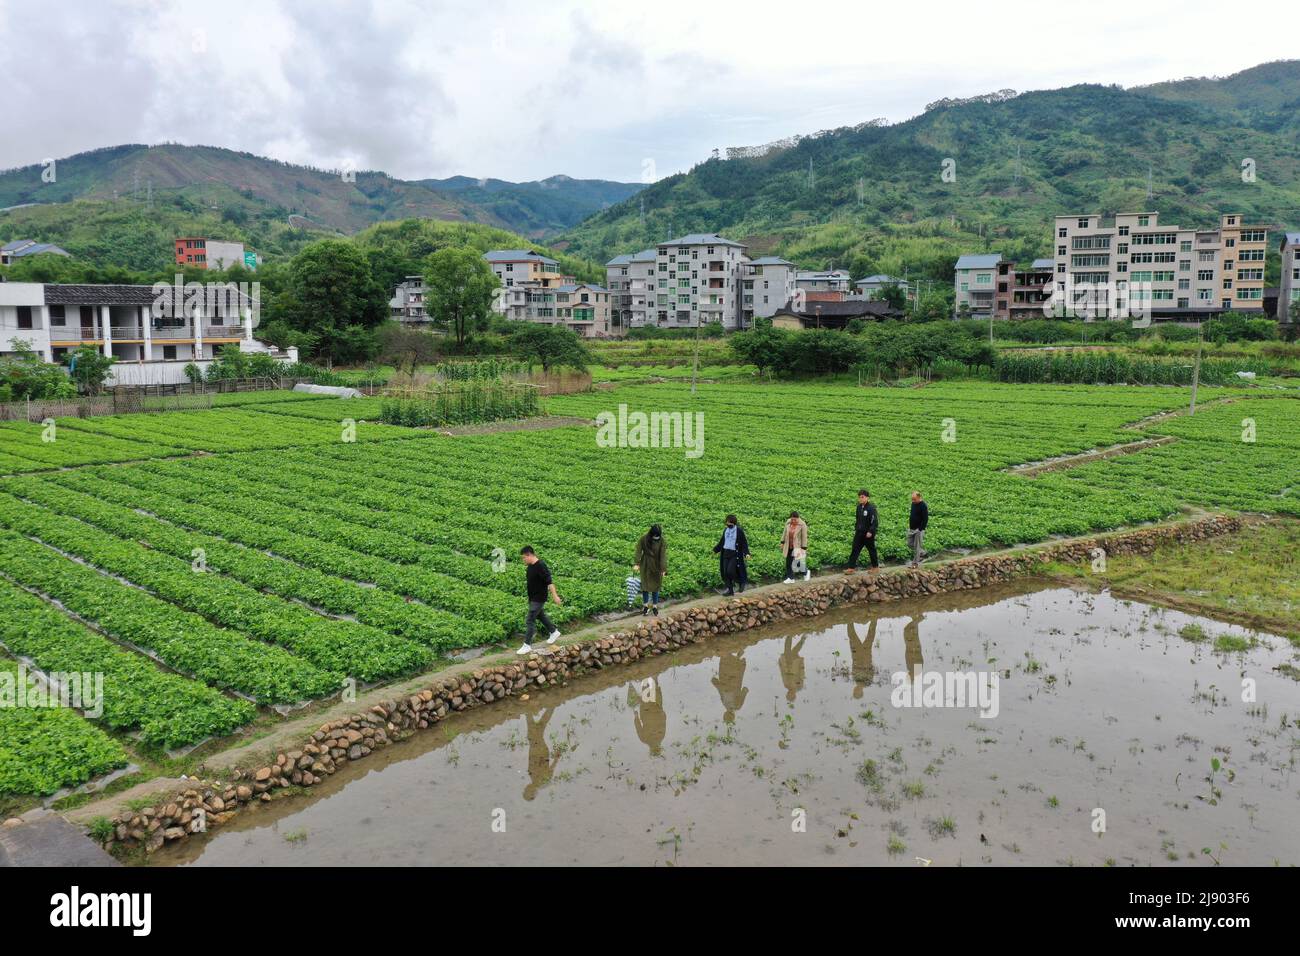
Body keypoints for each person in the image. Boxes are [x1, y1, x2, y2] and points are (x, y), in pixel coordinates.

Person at [517, 546, 562, 655]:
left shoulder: (541, 565)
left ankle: (527, 645)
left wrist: (555, 596)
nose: (523, 560)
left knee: (530, 619)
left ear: (529, 555)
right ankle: (553, 631)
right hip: (532, 598)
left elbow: (549, 582)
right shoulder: (530, 567)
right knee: (540, 615)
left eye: (524, 558)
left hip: (539, 598)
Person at [712, 514, 750, 596]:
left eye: (730, 523)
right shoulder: (726, 530)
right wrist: (715, 550)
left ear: (734, 523)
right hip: (725, 553)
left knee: (730, 571)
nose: (728, 525)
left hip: (734, 554)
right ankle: (730, 590)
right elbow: (722, 541)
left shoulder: (739, 531)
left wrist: (746, 553)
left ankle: (740, 582)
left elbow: (744, 543)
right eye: (727, 523)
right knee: (725, 572)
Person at [633, 524, 667, 616]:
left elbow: (663, 556)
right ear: (651, 533)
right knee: (645, 586)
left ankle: (655, 606)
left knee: (656, 586)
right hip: (646, 564)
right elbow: (638, 550)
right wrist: (637, 563)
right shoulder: (644, 538)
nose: (656, 537)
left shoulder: (662, 541)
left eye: (658, 536)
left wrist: (663, 569)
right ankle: (646, 606)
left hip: (656, 565)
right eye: (655, 536)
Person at [846, 489, 878, 573]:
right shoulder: (859, 507)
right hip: (859, 532)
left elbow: (875, 521)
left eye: (862, 497)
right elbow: (857, 519)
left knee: (871, 550)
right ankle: (851, 568)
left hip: (868, 534)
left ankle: (875, 567)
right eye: (859, 497)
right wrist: (856, 528)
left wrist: (870, 531)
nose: (861, 499)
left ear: (867, 497)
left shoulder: (871, 508)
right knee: (855, 548)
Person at [780, 510, 810, 583]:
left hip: (797, 546)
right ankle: (791, 578)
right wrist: (782, 542)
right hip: (789, 545)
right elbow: (784, 532)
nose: (793, 521)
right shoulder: (788, 522)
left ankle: (806, 572)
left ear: (798, 518)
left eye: (795, 519)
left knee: (798, 562)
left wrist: (804, 548)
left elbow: (804, 537)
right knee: (788, 563)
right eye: (792, 519)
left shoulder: (802, 524)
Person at [908, 491, 929, 569]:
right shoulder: (913, 503)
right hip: (911, 528)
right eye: (912, 499)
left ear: (919, 498)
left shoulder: (923, 505)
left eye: (914, 499)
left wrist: (920, 529)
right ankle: (923, 552)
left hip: (919, 530)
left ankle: (915, 564)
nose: (913, 501)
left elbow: (925, 519)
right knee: (909, 544)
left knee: (917, 547)